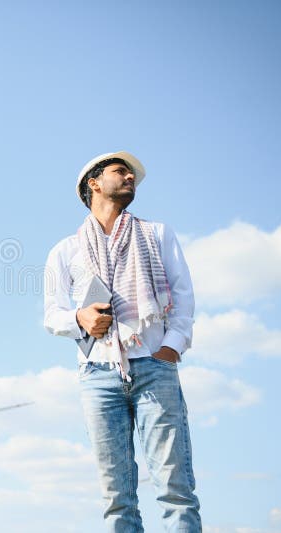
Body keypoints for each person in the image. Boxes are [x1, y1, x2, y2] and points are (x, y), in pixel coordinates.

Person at [43, 151, 201, 532]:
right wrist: (80, 319)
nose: (130, 176)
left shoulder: (158, 234)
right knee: (117, 500)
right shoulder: (66, 250)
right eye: (120, 171)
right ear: (93, 183)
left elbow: (184, 296)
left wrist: (170, 348)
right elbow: (52, 315)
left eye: (131, 173)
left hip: (154, 365)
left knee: (175, 489)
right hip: (97, 374)